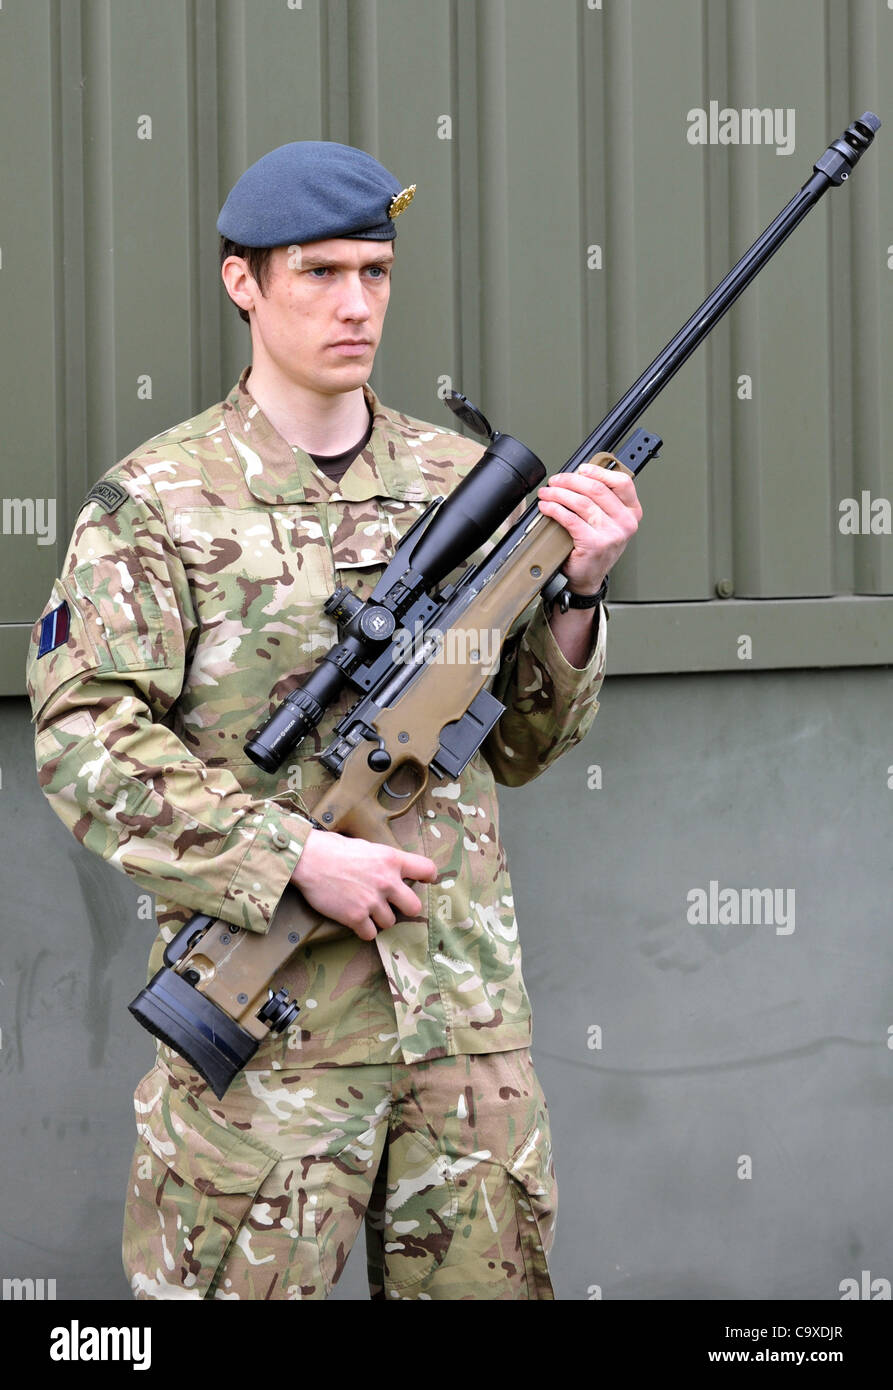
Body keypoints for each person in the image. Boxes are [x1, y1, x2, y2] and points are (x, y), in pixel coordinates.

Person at [26, 140, 642, 1300]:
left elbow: (520, 743)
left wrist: (581, 594)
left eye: (375, 270)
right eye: (317, 272)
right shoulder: (155, 502)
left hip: (461, 1039)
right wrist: (293, 854)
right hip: (266, 1061)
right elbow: (82, 740)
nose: (355, 303)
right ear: (241, 282)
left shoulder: (465, 486)